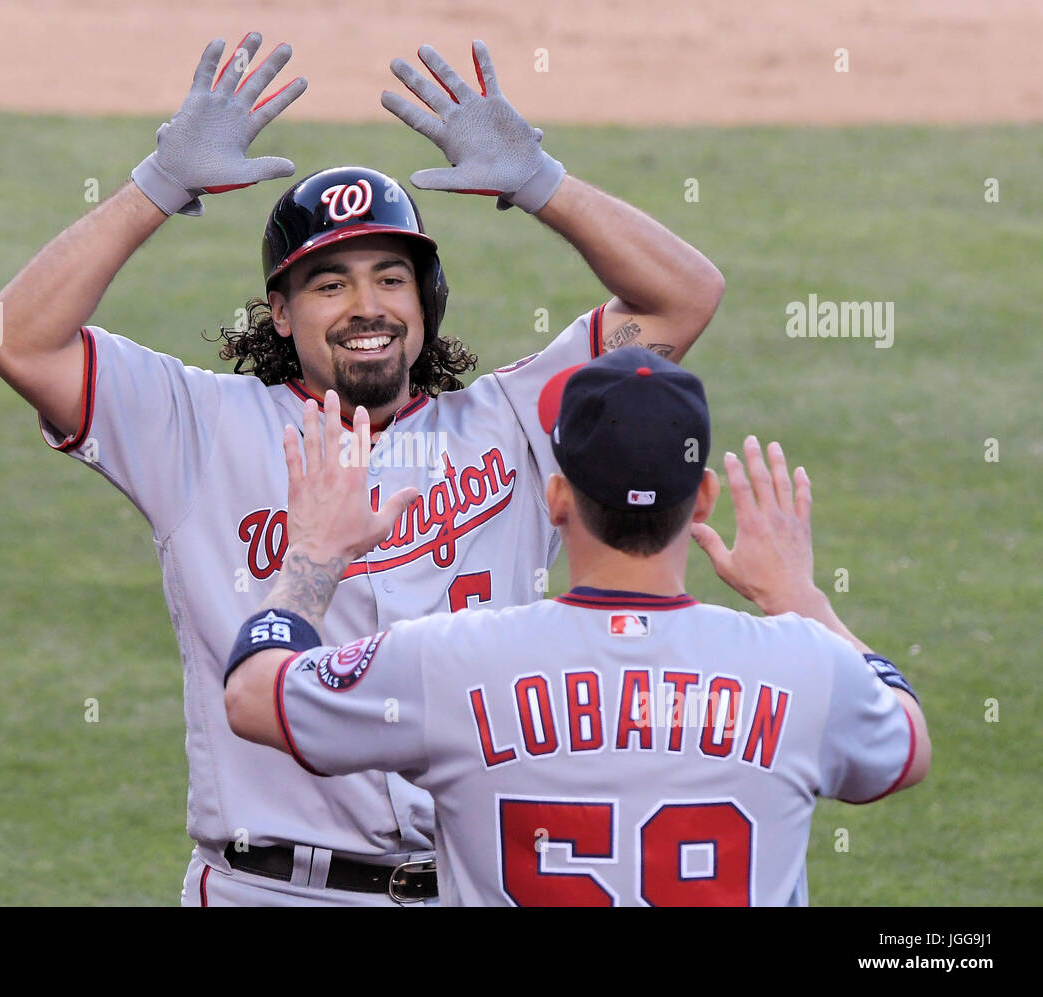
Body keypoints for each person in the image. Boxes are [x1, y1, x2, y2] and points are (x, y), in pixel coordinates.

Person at [0, 32, 724, 906]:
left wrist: (540, 182)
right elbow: (15, 336)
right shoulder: (198, 428)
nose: (366, 306)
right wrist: (159, 183)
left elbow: (683, 296)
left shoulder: (517, 421)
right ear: (281, 315)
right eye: (329, 284)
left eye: (390, 279)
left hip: (474, 884)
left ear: (426, 301)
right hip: (273, 888)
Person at [224, 348, 931, 906]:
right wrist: (800, 599)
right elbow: (907, 741)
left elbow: (255, 694)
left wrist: (313, 554)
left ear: (556, 497)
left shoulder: (451, 661)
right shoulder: (803, 665)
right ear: (704, 497)